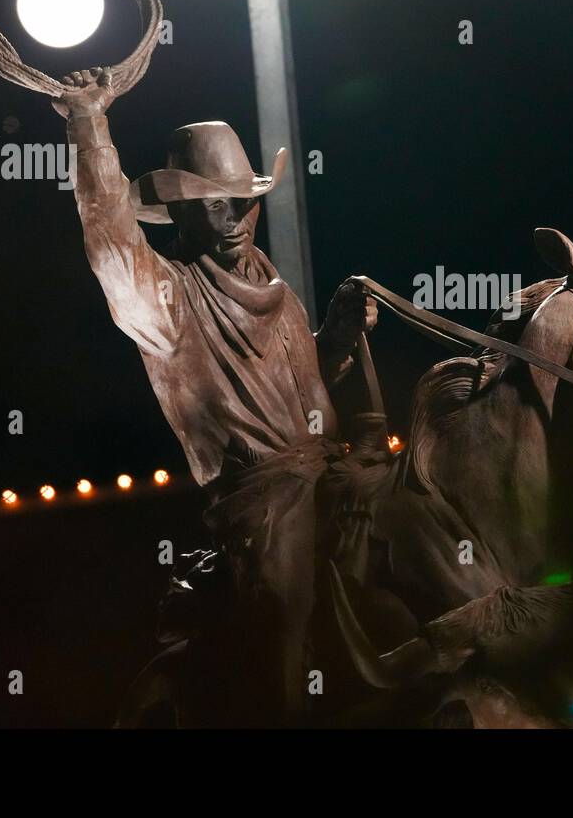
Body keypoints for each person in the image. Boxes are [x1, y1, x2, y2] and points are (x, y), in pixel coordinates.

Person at [54, 66, 377, 722]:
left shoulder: (275, 289)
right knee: (283, 613)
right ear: (177, 210)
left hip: (331, 473)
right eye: (210, 202)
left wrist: (336, 340)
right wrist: (89, 124)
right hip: (263, 506)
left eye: (243, 199)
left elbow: (300, 391)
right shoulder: (166, 300)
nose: (231, 216)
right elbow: (113, 244)